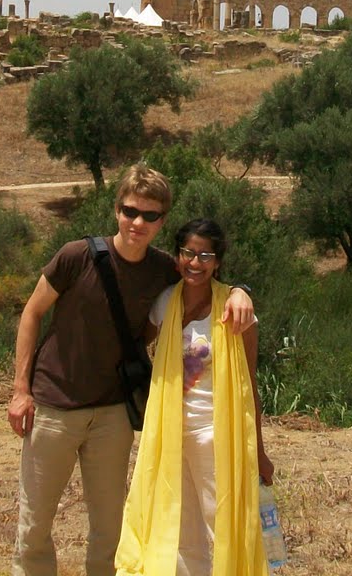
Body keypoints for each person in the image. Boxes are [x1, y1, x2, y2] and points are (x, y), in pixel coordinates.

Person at [8, 165, 254, 576]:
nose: (138, 222)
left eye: (150, 215)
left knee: (111, 531)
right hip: (52, 406)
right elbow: (31, 313)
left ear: (162, 221)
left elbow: (206, 273)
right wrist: (21, 390)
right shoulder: (76, 256)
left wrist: (245, 290)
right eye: (130, 211)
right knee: (34, 527)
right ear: (116, 210)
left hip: (112, 415)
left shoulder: (162, 269)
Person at [116, 219, 272, 576]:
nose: (196, 262)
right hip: (169, 433)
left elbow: (249, 385)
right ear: (177, 256)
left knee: (225, 522)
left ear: (217, 262)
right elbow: (138, 343)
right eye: (188, 252)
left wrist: (259, 452)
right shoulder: (165, 303)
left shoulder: (237, 311)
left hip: (216, 434)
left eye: (205, 255)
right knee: (180, 528)